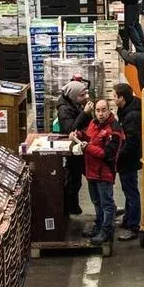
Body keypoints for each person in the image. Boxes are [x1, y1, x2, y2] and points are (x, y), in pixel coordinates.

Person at [72, 100, 124, 245]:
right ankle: (100, 224)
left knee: (106, 204)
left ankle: (106, 230)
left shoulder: (114, 130)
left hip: (104, 174)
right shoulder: (93, 123)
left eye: (103, 110)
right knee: (96, 202)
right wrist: (81, 135)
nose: (100, 114)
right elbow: (90, 137)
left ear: (109, 110)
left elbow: (107, 154)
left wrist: (86, 147)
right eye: (98, 110)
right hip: (91, 172)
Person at [55, 79, 94, 215]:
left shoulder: (75, 103)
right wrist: (85, 113)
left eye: (86, 93)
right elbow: (70, 129)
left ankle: (73, 207)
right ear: (73, 95)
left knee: (78, 179)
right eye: (82, 95)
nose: (86, 97)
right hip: (74, 149)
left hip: (82, 146)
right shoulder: (64, 110)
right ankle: (71, 207)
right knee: (75, 179)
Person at [113, 83, 142, 240]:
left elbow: (131, 142)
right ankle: (127, 220)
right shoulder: (125, 109)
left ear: (121, 98)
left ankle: (133, 227)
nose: (113, 99)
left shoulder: (132, 116)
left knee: (131, 192)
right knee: (128, 190)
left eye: (114, 96)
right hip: (126, 159)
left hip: (129, 160)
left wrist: (117, 155)